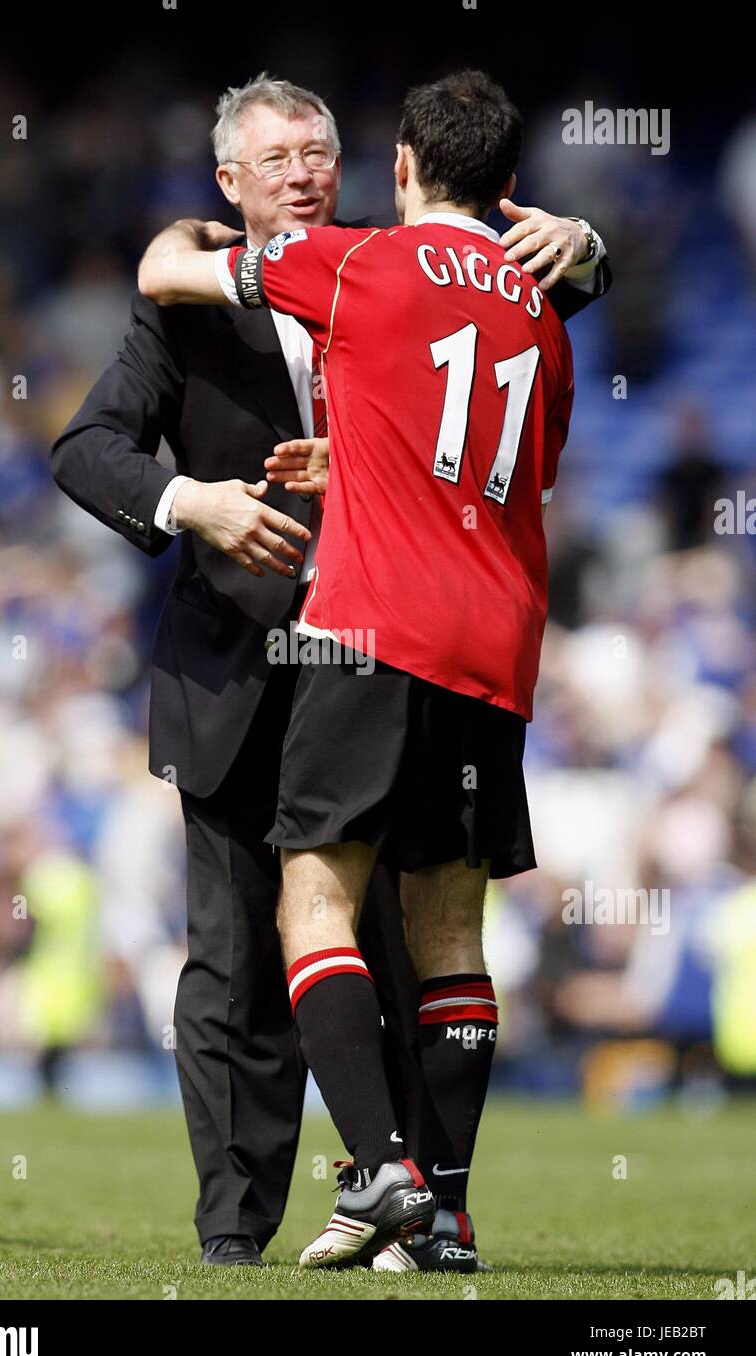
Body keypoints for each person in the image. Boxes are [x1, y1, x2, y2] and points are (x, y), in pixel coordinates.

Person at [57, 73, 609, 1270]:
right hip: (272, 666)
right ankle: (243, 1228)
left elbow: (519, 298)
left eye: (323, 149)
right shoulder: (209, 313)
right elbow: (84, 444)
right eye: (279, 157)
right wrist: (186, 499)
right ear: (232, 183)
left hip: (372, 641)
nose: (308, 169)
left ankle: (391, 1188)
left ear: (386, 167)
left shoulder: (369, 264)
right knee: (241, 965)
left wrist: (589, 242)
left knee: (386, 935)